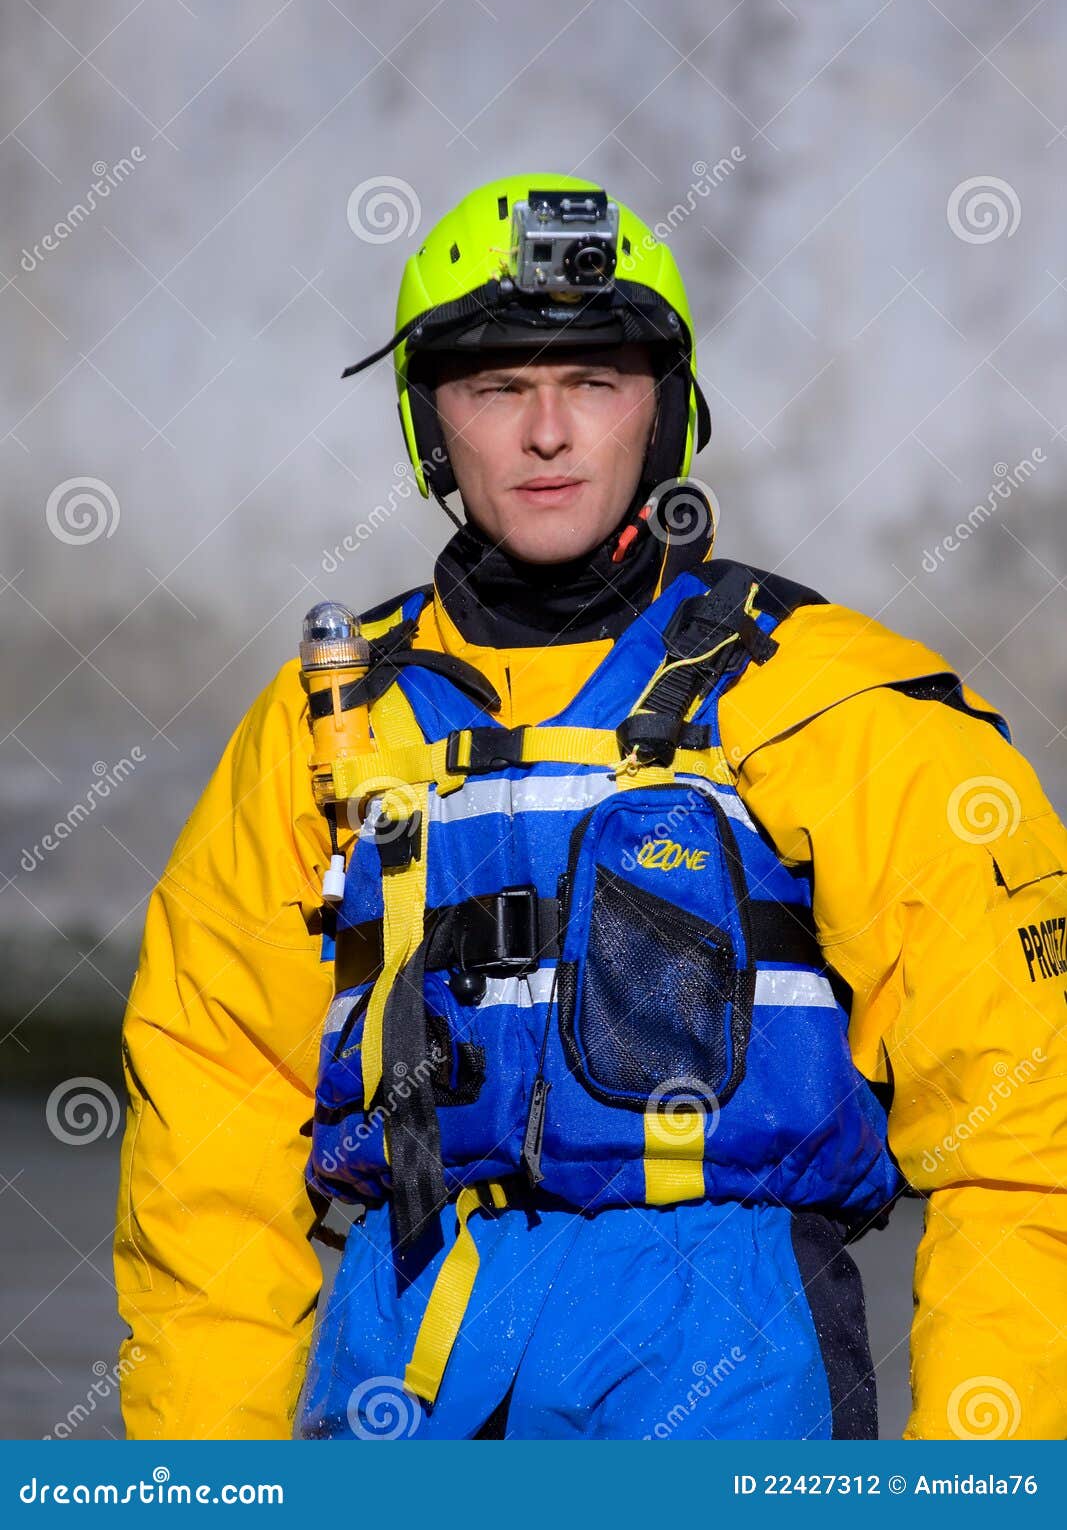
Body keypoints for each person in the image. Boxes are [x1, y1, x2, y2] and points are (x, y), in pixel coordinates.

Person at [115, 175, 1067, 1441]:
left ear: (663, 414)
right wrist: (204, 1487)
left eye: (594, 382)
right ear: (429, 423)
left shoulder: (843, 710)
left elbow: (1024, 1140)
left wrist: (985, 1486)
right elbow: (205, 1151)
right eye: (496, 388)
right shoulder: (325, 733)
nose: (546, 432)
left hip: (726, 1366)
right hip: (398, 1355)